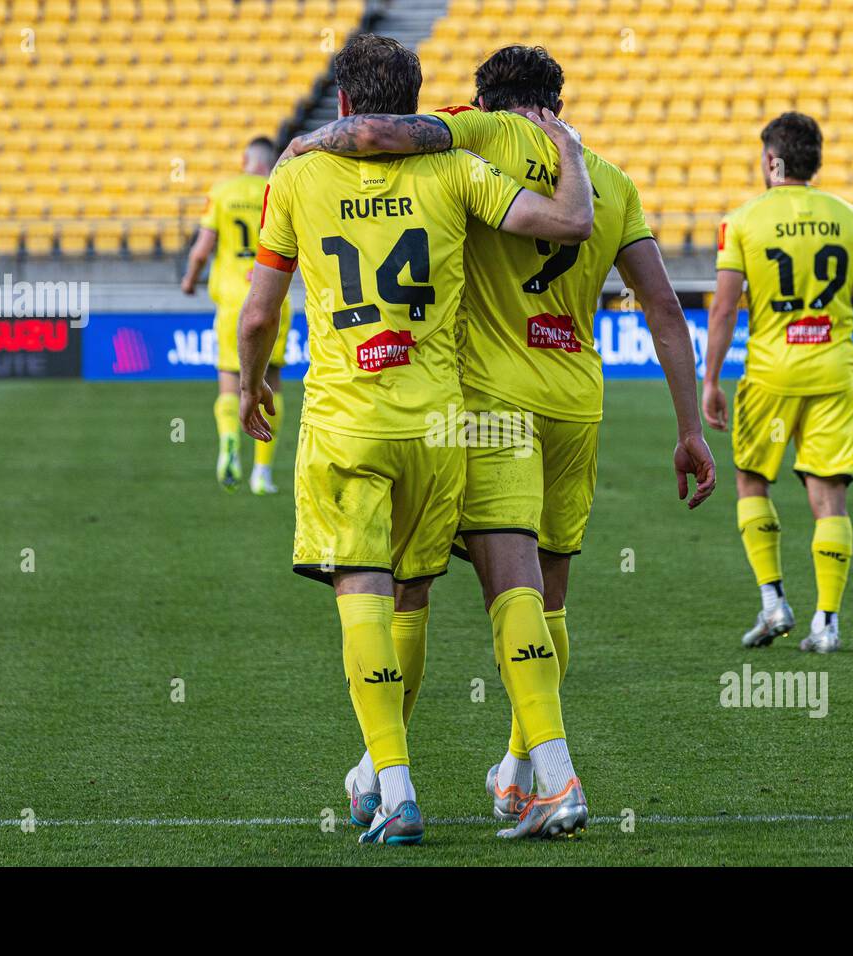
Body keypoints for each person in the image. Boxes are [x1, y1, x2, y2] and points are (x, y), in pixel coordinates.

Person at [282, 44, 716, 832]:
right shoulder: (607, 176)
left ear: (484, 95)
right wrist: (690, 426)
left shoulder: (466, 136)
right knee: (548, 601)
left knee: (438, 587)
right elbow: (661, 306)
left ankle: (501, 773)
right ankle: (516, 769)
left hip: (486, 405)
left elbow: (380, 134)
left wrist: (312, 142)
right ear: (555, 99)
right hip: (577, 406)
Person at [236, 35, 595, 844]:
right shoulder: (456, 169)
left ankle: (396, 789)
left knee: (361, 593)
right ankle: (403, 775)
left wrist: (256, 380)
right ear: (419, 101)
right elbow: (570, 222)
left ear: (341, 104)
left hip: (345, 420)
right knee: (415, 594)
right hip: (438, 423)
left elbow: (258, 313)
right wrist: (567, 147)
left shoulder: (294, 176)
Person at [702, 112, 853, 654]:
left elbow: (724, 309)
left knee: (751, 481)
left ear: (772, 162)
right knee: (829, 498)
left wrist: (709, 379)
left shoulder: (743, 221)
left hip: (770, 376)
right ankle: (826, 623)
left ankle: (772, 600)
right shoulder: (849, 218)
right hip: (833, 374)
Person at [181, 137, 289, 494]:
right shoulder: (280, 186)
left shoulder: (223, 191)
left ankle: (229, 443)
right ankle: (263, 472)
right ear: (270, 162)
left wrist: (189, 281)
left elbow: (201, 250)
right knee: (269, 378)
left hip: (232, 302)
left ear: (244, 159)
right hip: (272, 293)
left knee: (231, 375)